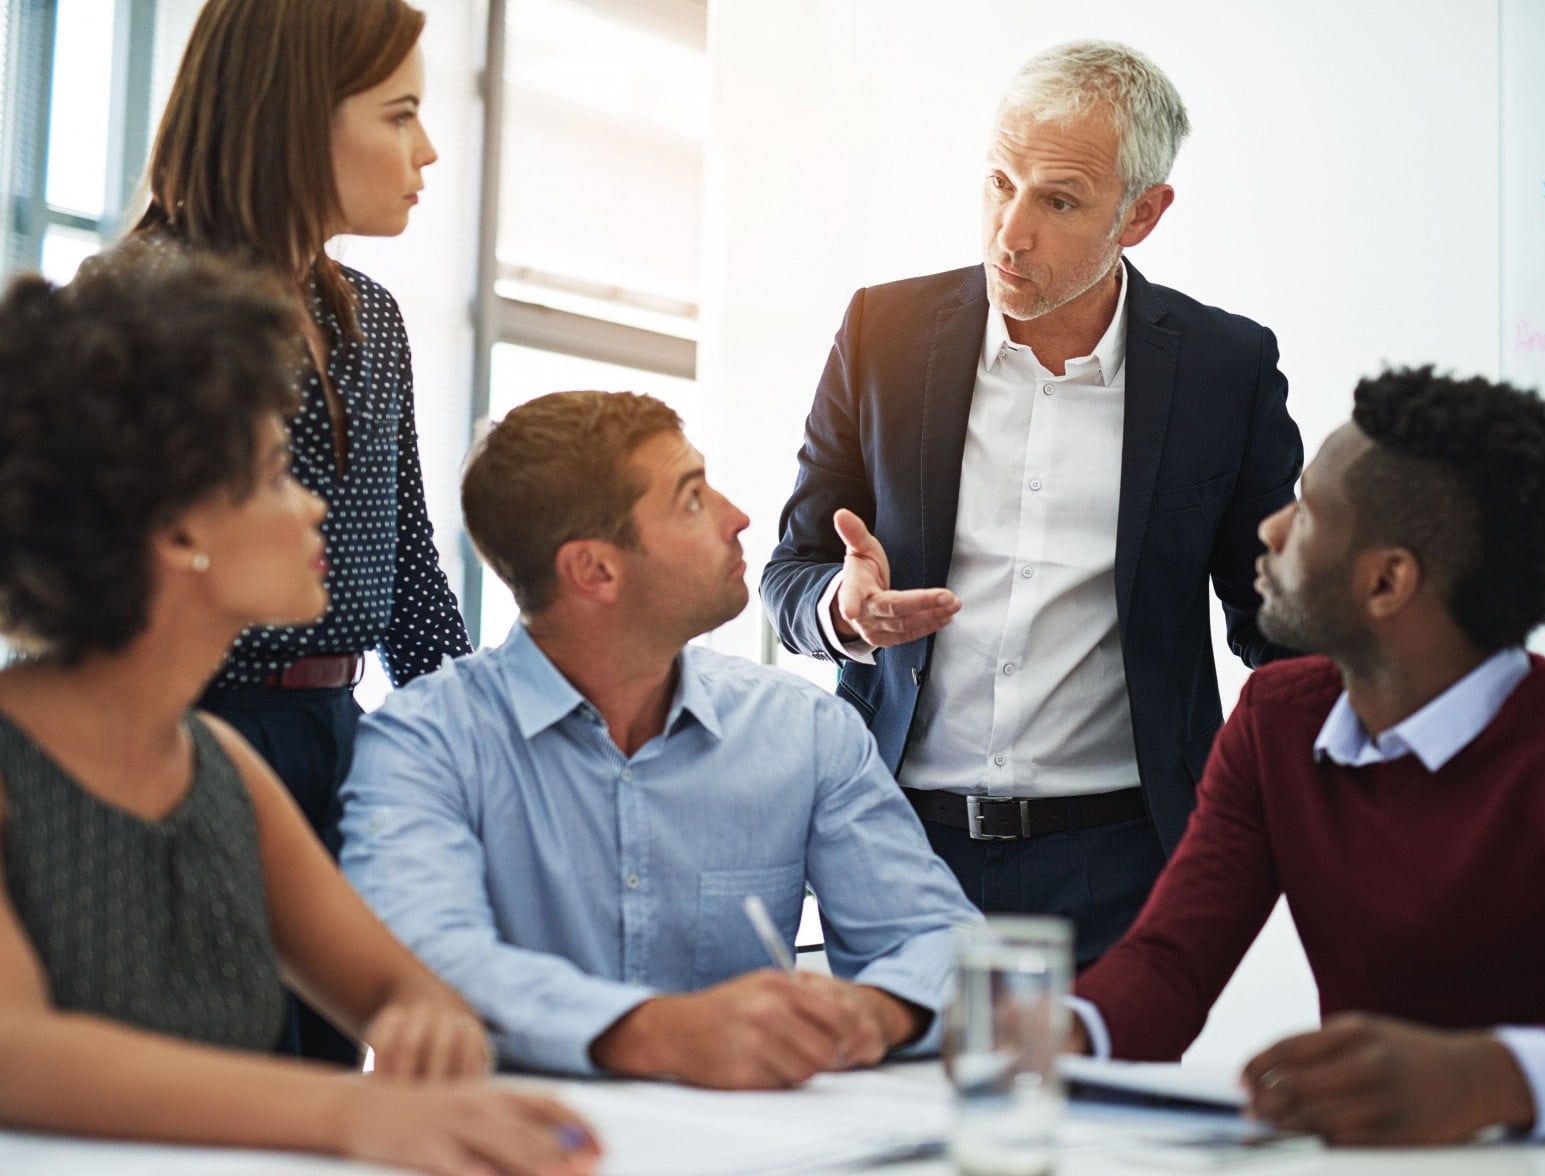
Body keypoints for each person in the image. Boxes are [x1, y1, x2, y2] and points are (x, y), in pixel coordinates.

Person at [0, 253, 598, 1175]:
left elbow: (403, 992)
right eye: (279, 473)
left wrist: (430, 1026)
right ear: (180, 532)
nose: (315, 505)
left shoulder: (220, 767)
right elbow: (18, 1054)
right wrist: (354, 1111)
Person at [761, 40, 1304, 967]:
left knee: (1104, 1072)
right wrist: (842, 612)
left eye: (1058, 201)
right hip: (894, 841)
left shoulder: (1228, 370)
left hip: (1125, 861)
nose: (1009, 235)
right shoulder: (883, 333)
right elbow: (790, 576)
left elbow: (1277, 620)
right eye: (999, 183)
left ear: (1142, 214)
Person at [339, 390, 982, 1089]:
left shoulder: (804, 729)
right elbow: (424, 959)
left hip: (755, 1138)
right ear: (595, 570)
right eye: (692, 500)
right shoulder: (422, 741)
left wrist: (877, 1013)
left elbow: (938, 942)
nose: (738, 518)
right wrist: (658, 1033)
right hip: (515, 1135)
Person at [1068, 367, 1545, 1145]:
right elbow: (1172, 961)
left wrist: (1493, 1079)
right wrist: (1058, 1033)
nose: (1271, 530)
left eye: (1307, 513)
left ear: (1386, 582)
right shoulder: (1277, 720)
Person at [118, 0, 471, 1062]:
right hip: (186, 725)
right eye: (399, 114)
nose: (427, 149)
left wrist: (481, 744)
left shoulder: (370, 314)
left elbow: (406, 564)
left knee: (325, 1054)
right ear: (292, 115)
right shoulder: (145, 301)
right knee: (206, 1069)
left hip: (337, 733)